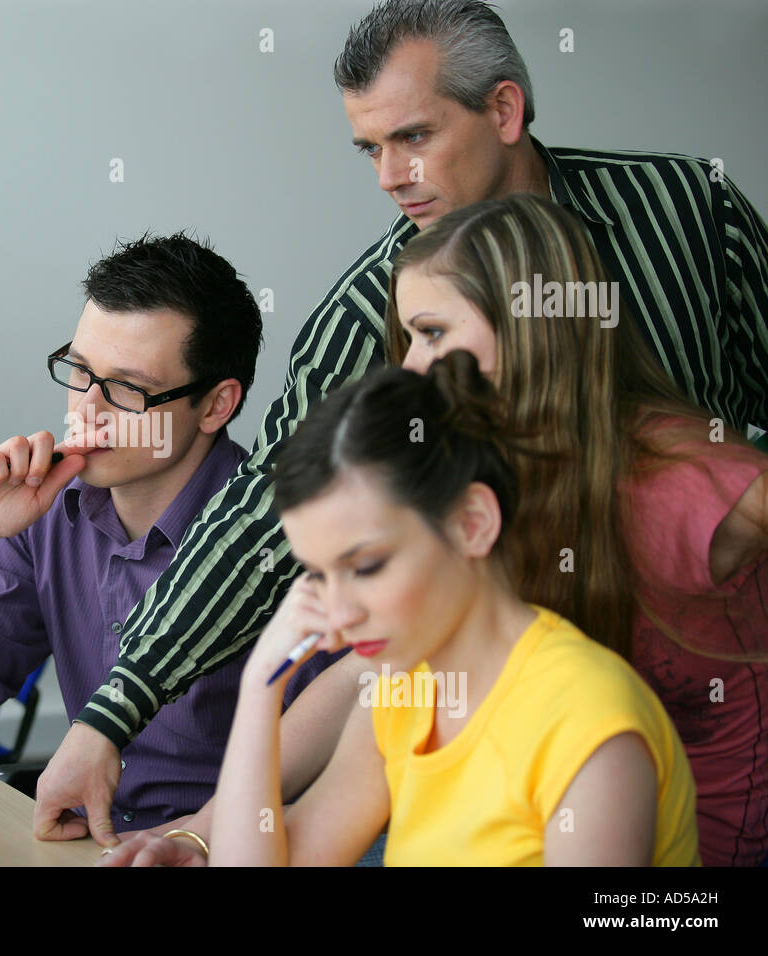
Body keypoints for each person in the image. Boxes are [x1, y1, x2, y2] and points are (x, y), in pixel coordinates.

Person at [43, 0, 768, 847]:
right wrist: (145, 747)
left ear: (503, 110)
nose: (389, 175)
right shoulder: (374, 322)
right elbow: (265, 518)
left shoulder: (687, 222)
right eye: (370, 149)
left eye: (413, 137)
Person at [107, 193, 766, 867]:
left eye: (431, 332)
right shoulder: (415, 661)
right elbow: (369, 666)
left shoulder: (679, 480)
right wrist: (213, 805)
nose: (414, 364)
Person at [0, 233, 332, 837]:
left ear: (216, 406)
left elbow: (340, 775)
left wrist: (197, 838)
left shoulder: (286, 541)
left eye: (126, 389)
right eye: (81, 371)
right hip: (80, 842)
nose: (86, 410)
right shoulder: (45, 511)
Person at [206, 352, 700, 865]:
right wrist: (261, 681)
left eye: (367, 566)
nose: (340, 613)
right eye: (320, 575)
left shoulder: (587, 723)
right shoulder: (402, 690)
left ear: (472, 523)